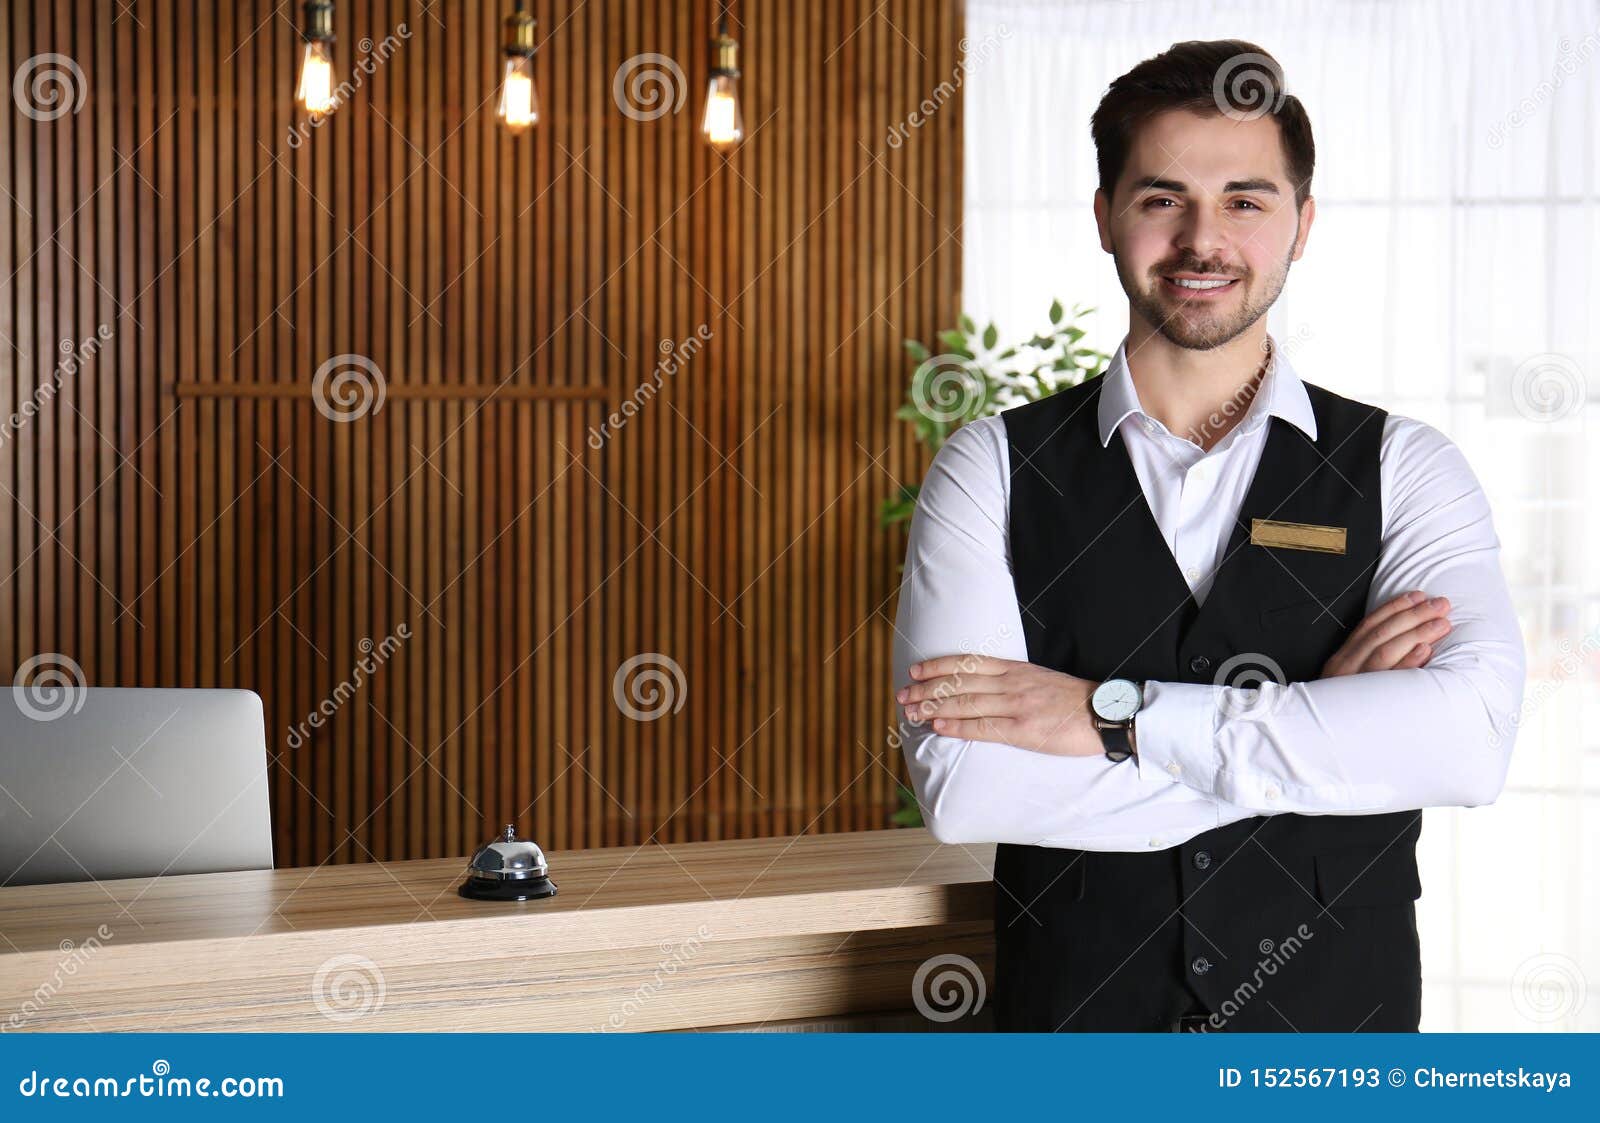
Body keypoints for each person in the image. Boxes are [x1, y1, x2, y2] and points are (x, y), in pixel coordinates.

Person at [891, 39, 1526, 1033]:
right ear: (1104, 217)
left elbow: (1466, 744)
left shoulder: (1407, 466)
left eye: (1244, 199)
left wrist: (1112, 715)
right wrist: (1326, 733)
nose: (1202, 239)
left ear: (1299, 224)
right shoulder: (991, 467)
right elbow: (970, 788)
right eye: (1160, 198)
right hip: (1075, 1034)